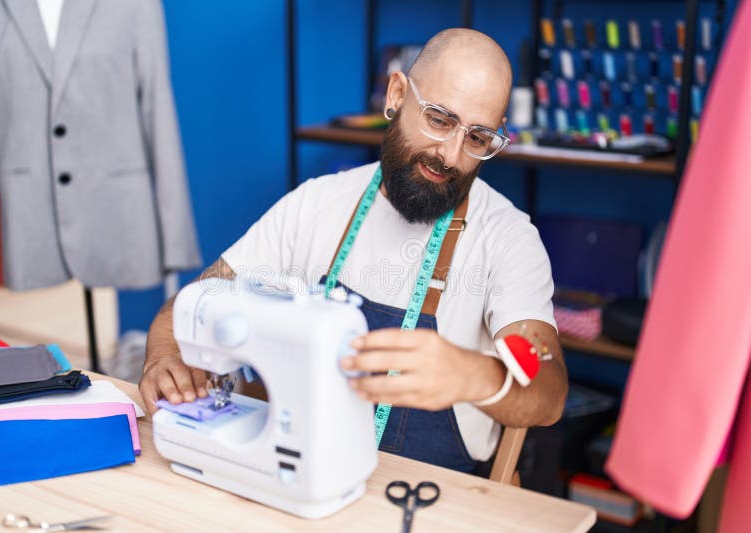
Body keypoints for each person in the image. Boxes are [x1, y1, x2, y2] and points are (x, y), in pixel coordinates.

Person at [139, 28, 568, 474]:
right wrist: (166, 354)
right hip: (306, 471)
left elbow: (548, 389)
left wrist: (476, 375)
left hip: (432, 495)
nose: (451, 154)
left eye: (477, 138)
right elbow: (197, 301)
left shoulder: (508, 239)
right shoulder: (317, 203)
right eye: (439, 119)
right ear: (398, 93)